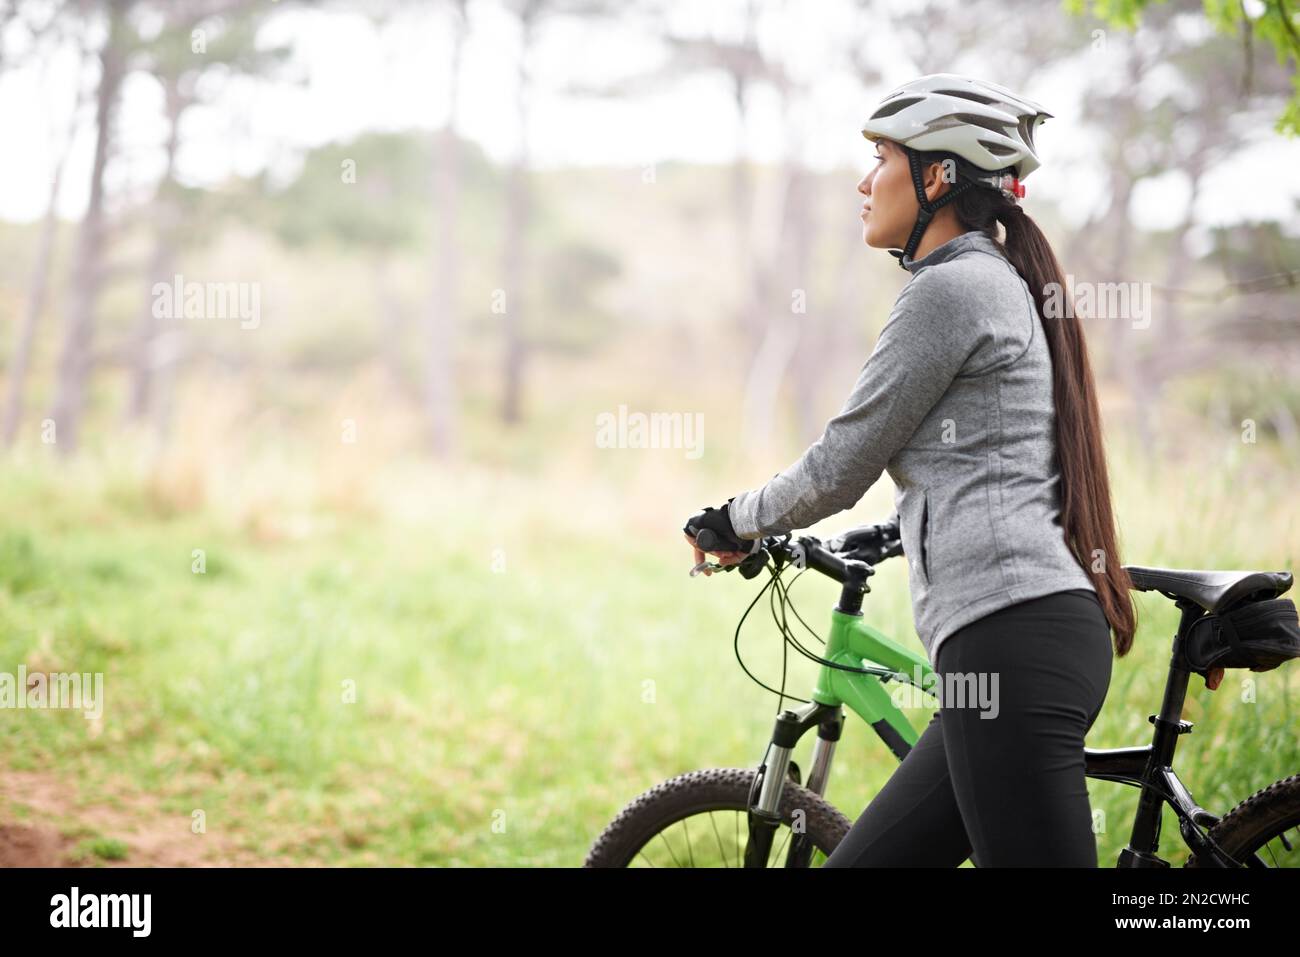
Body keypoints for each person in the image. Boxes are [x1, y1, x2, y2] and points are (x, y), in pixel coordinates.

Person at [682, 74, 1146, 867]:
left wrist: (734, 518)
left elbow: (839, 463)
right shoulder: (991, 283)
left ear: (938, 176)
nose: (864, 182)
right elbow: (981, 467)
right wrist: (891, 531)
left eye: (880, 158)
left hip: (1011, 644)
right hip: (1006, 649)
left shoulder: (953, 289)